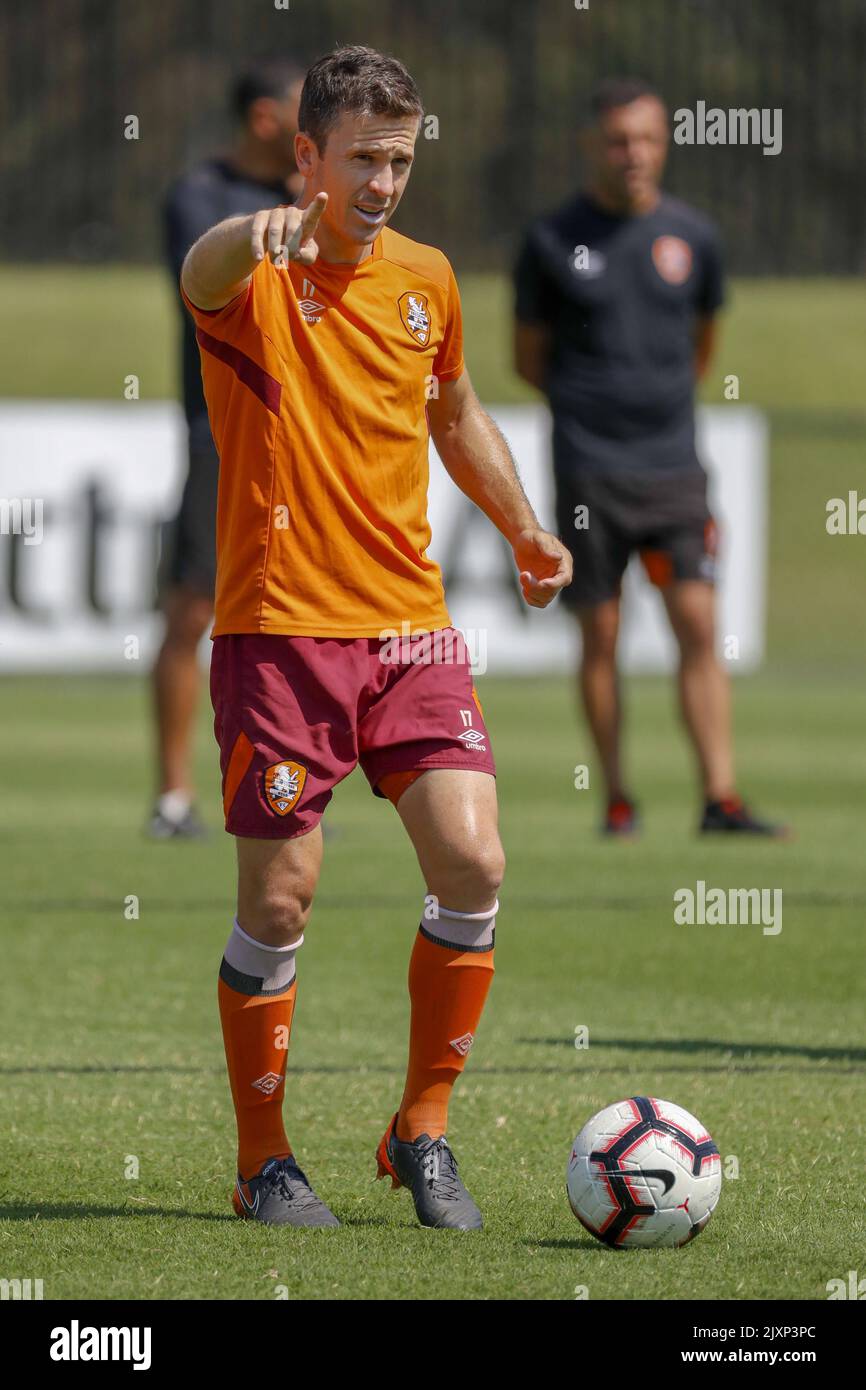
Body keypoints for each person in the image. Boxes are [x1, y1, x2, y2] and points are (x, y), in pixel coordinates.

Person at [180, 45, 572, 1228]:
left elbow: (453, 411)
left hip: (411, 631)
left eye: (399, 160)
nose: (383, 183)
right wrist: (248, 232)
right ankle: (263, 1162)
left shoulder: (426, 277)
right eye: (361, 159)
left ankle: (422, 1128)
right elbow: (199, 275)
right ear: (307, 155)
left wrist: (523, 527)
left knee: (473, 864)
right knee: (281, 901)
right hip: (281, 633)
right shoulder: (255, 271)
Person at [513, 78, 785, 837]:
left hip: (674, 467)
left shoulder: (693, 237)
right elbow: (528, 359)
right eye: (617, 140)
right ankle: (617, 797)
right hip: (588, 469)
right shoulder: (550, 239)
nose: (632, 153)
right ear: (591, 145)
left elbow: (702, 345)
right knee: (600, 634)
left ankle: (720, 797)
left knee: (697, 622)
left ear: (663, 145)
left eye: (646, 139)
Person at [149, 59, 306, 839]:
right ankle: (174, 795)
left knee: (300, 620)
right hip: (222, 435)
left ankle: (292, 789)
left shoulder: (317, 197)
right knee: (192, 608)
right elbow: (213, 289)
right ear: (265, 118)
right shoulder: (201, 196)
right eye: (306, 114)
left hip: (307, 440)